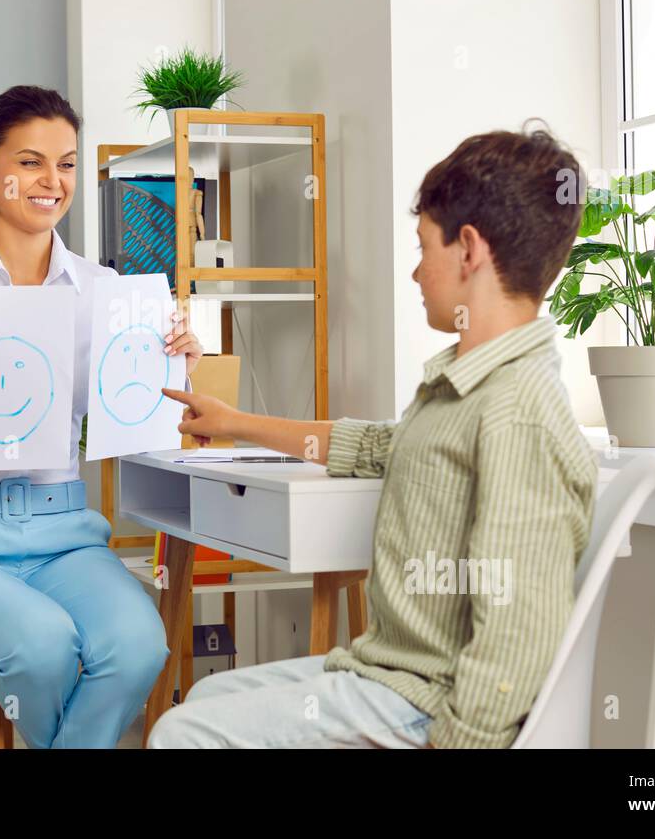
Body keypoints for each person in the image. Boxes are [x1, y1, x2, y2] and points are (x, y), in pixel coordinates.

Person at [149, 125, 599, 749]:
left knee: (183, 733)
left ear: (468, 250)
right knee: (209, 695)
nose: (416, 273)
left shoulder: (518, 412)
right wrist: (233, 421)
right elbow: (373, 448)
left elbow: (516, 635)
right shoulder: (465, 388)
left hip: (426, 703)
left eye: (423, 248)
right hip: (387, 673)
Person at [0, 85, 203, 748]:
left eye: (65, 163)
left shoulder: (105, 292)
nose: (50, 181)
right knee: (44, 643)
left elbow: (130, 416)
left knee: (140, 643)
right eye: (29, 162)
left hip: (64, 531)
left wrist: (174, 367)